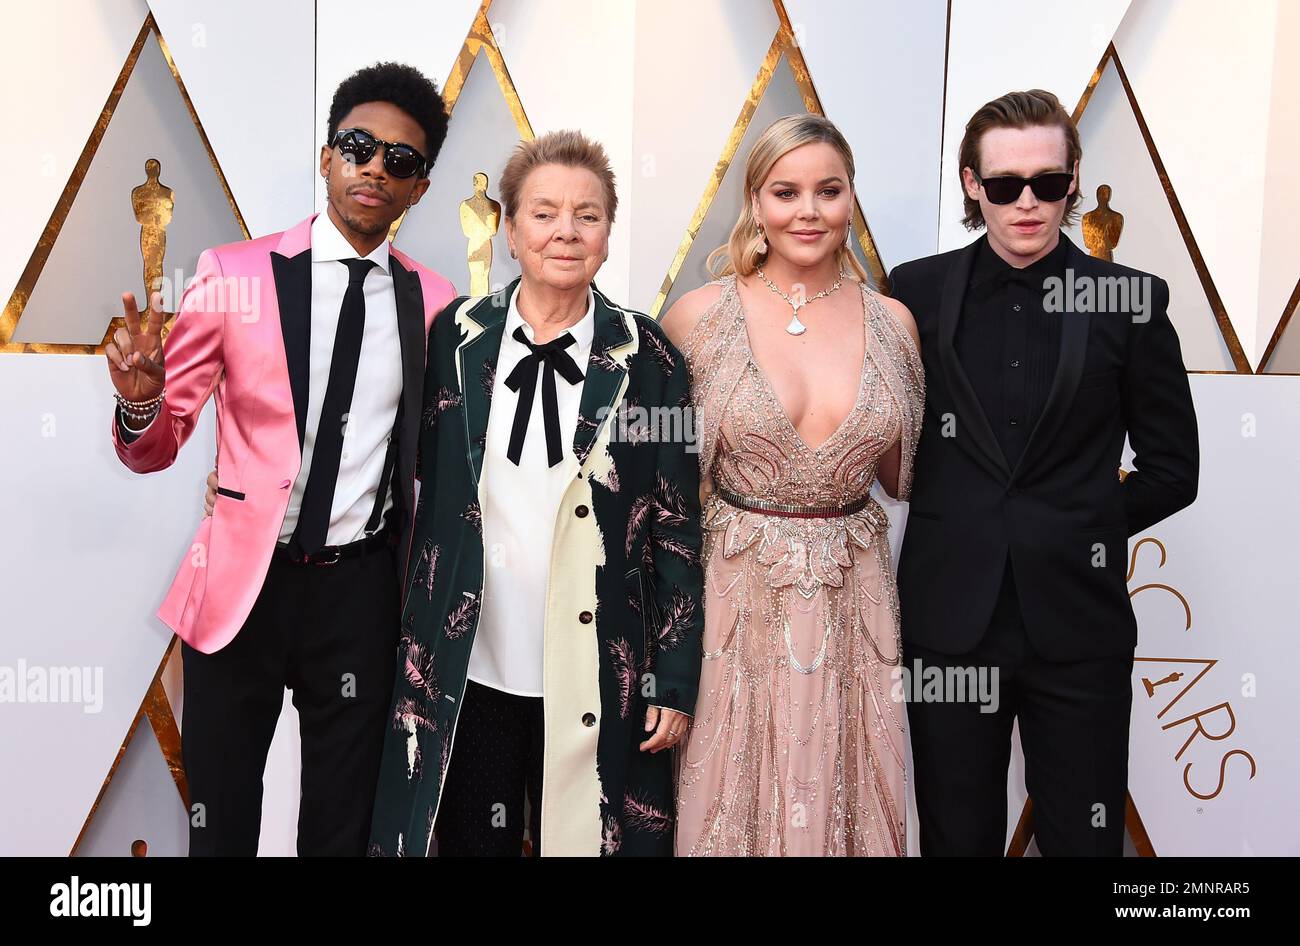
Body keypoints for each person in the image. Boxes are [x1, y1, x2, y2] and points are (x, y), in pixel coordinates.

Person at [109, 62, 455, 855]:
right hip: (245, 588)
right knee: (220, 822)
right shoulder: (233, 275)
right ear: (327, 155)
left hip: (362, 596)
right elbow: (158, 446)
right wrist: (140, 400)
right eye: (358, 146)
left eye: (399, 159)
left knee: (341, 829)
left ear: (420, 188)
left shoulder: (434, 302)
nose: (375, 167)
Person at [365, 130, 704, 857]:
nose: (566, 231)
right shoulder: (456, 337)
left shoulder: (648, 358)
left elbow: (677, 526)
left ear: (609, 236)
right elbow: (402, 470)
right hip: (472, 661)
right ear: (510, 230)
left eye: (588, 214)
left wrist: (673, 679)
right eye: (544, 212)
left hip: (598, 669)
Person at [889, 89, 1198, 856]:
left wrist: (1083, 524)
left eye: (1048, 184)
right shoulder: (913, 293)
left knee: (1082, 838)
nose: (1027, 203)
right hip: (949, 622)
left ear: (1073, 179)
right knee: (955, 837)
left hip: (1079, 624)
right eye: (1003, 186)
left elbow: (1173, 468)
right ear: (971, 184)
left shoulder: (1131, 302)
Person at [661, 114, 924, 856]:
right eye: (786, 192)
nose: (808, 211)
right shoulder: (697, 317)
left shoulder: (894, 323)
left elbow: (904, 477)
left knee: (850, 780)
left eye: (828, 191)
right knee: (725, 785)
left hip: (854, 594)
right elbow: (654, 487)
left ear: (850, 201)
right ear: (755, 203)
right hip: (732, 592)